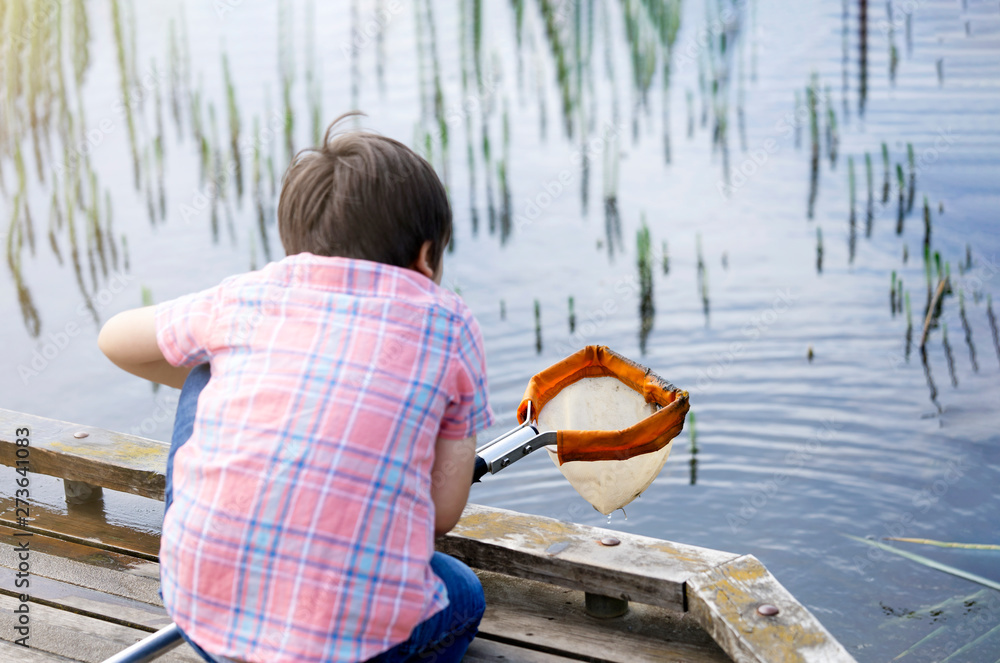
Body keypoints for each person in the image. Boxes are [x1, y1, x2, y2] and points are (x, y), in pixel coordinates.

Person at [98, 112, 494, 663]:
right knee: (462, 591)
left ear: (297, 248)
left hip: (201, 614)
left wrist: (235, 374)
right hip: (359, 649)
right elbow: (442, 512)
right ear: (426, 257)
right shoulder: (449, 323)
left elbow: (114, 339)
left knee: (205, 366)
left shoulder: (248, 295)